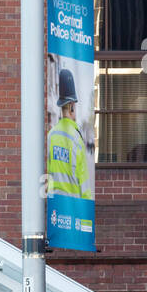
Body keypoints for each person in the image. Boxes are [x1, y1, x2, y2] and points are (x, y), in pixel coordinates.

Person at [47, 69, 92, 200]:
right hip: (73, 207)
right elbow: (84, 182)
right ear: (72, 106)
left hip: (55, 206)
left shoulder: (51, 136)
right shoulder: (77, 139)